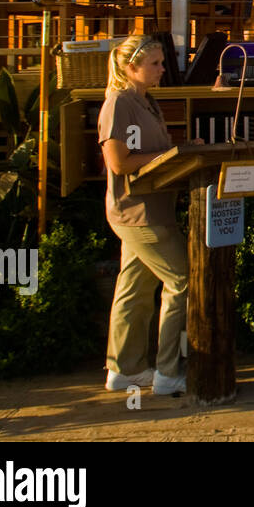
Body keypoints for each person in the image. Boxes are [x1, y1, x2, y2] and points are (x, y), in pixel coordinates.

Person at [98, 36, 189, 396]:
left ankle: (124, 369)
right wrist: (168, 156)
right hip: (138, 212)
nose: (162, 69)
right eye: (154, 63)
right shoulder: (119, 103)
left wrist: (177, 152)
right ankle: (168, 371)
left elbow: (151, 152)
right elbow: (118, 162)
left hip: (152, 208)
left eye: (161, 62)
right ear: (129, 67)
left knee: (134, 288)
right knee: (182, 281)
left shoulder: (145, 101)